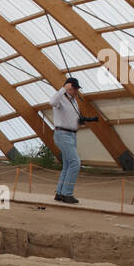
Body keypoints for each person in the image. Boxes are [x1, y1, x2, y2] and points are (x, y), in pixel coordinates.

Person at [48, 76, 97, 204]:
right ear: (69, 87)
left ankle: (60, 193)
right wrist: (63, 89)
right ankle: (67, 193)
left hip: (72, 134)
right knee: (75, 162)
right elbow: (51, 102)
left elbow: (71, 118)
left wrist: (81, 122)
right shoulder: (60, 99)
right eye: (74, 89)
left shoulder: (74, 101)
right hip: (62, 134)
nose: (76, 91)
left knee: (68, 165)